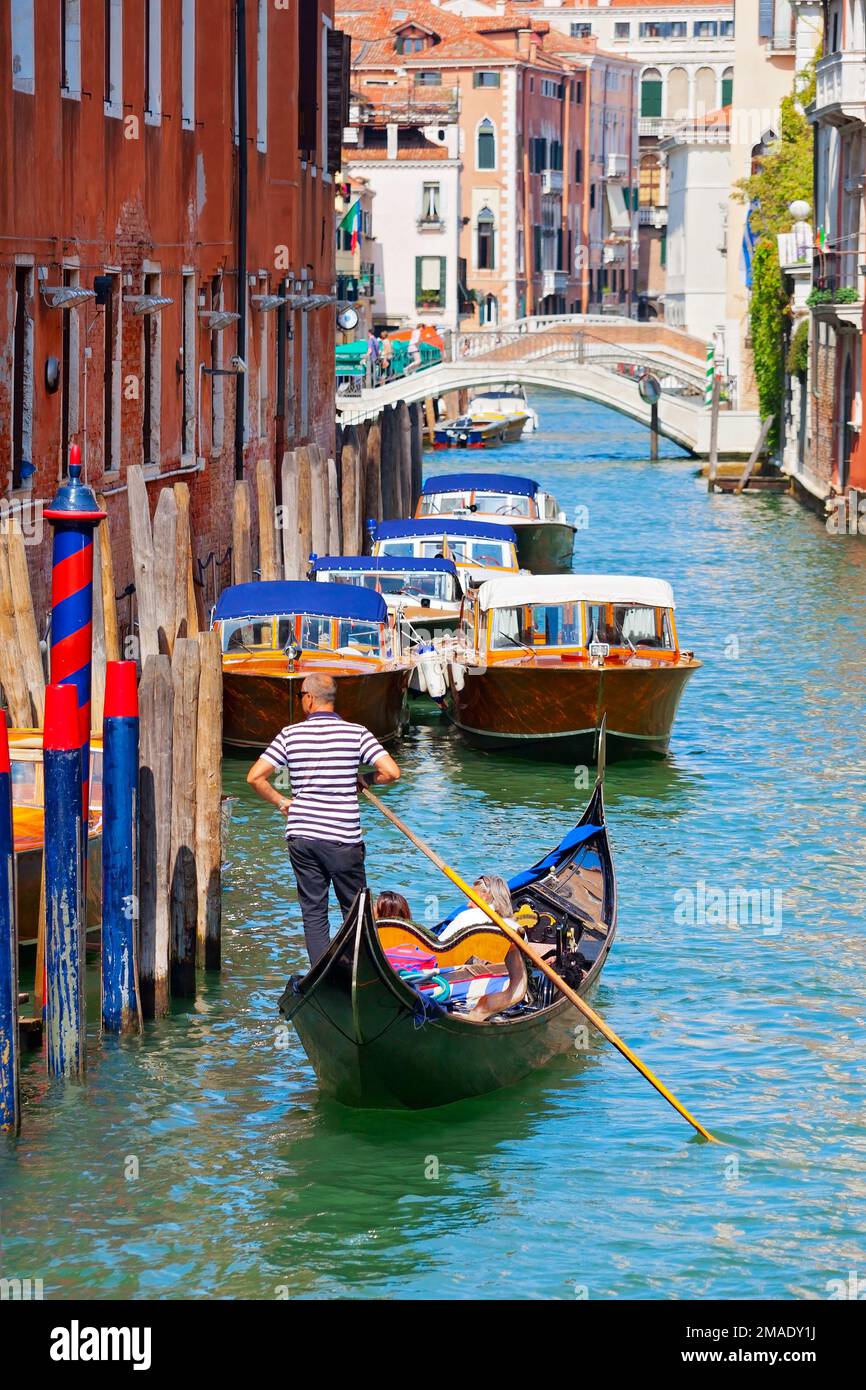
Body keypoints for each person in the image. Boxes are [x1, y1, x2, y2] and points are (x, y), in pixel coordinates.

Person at [246, 673, 400, 964]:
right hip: (343, 840)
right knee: (354, 911)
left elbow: (255, 777)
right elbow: (392, 772)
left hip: (302, 836)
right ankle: (358, 968)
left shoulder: (289, 735)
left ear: (311, 698)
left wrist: (282, 802)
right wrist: (364, 779)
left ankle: (321, 973)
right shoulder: (357, 733)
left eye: (300, 694)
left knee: (314, 911)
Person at [438, 874, 529, 1022]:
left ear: (485, 896)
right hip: (511, 993)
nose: (468, 904)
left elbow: (439, 949)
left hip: (455, 986)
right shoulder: (516, 928)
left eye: (472, 896)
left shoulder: (466, 917)